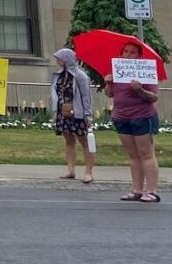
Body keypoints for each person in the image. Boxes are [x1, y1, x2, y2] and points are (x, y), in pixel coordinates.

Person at [107, 39, 162, 203]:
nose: (128, 55)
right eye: (126, 52)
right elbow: (110, 94)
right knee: (133, 155)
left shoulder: (145, 71)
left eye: (133, 52)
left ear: (139, 56)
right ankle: (137, 189)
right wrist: (108, 84)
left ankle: (151, 190)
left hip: (142, 116)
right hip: (122, 116)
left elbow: (154, 97)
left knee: (146, 153)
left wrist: (140, 90)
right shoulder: (117, 71)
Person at [50, 48, 95, 183]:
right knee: (69, 141)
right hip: (63, 112)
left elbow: (86, 96)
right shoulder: (58, 75)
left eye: (60, 58)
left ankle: (88, 171)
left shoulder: (80, 76)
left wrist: (87, 115)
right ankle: (70, 169)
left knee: (85, 142)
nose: (58, 61)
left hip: (78, 113)